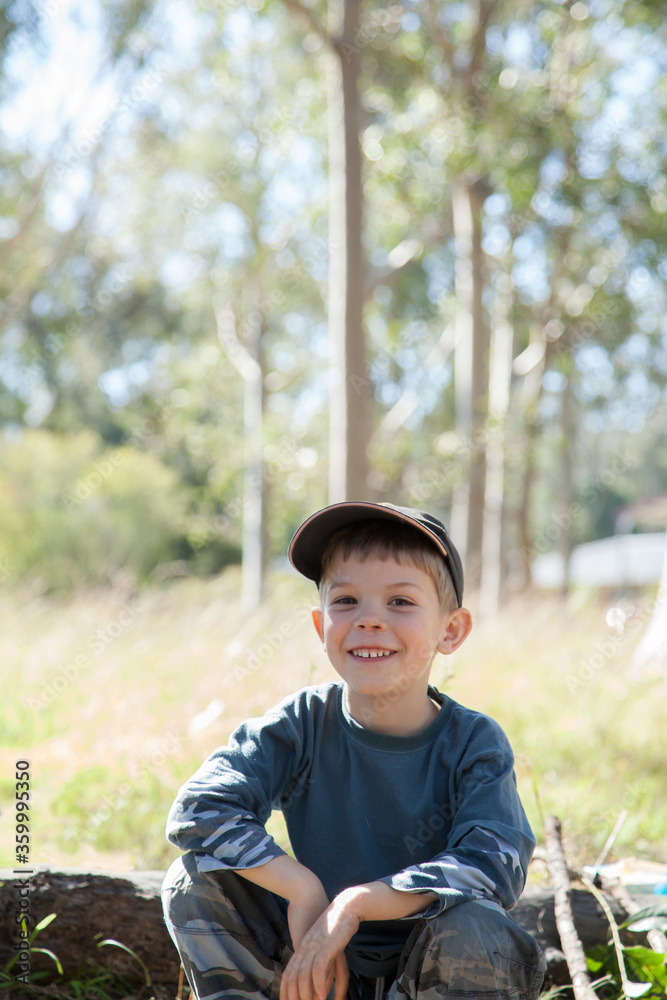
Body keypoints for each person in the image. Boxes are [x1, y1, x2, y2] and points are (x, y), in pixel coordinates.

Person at [161, 501, 546, 1000]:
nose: (369, 621)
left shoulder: (473, 743)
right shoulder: (301, 724)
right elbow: (198, 808)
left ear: (450, 630)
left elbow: (491, 863)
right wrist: (304, 892)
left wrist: (356, 904)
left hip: (427, 971)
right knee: (194, 878)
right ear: (322, 628)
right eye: (346, 601)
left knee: (480, 927)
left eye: (400, 602)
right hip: (312, 971)